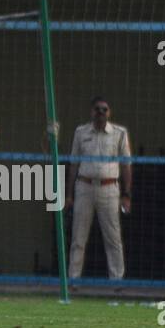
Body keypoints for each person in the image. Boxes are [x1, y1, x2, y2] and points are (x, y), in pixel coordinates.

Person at [65, 96, 132, 282]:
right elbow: (73, 164)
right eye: (97, 109)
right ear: (91, 111)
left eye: (104, 109)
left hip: (109, 188)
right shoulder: (81, 132)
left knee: (113, 237)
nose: (101, 113)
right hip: (84, 186)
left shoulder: (119, 133)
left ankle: (117, 281)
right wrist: (68, 195)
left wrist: (127, 194)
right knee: (78, 236)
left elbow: (126, 165)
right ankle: (73, 280)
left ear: (109, 113)